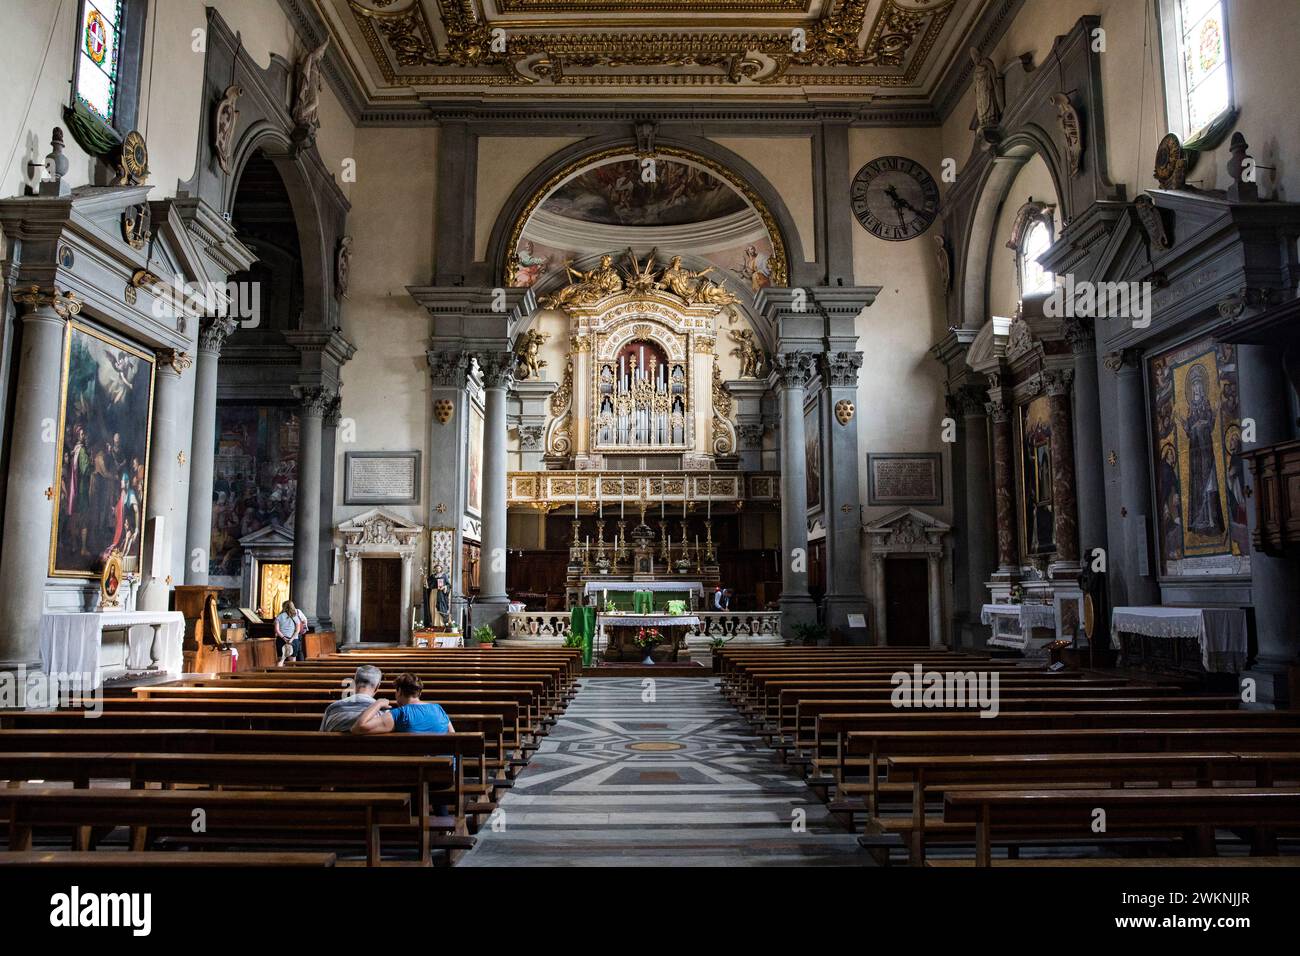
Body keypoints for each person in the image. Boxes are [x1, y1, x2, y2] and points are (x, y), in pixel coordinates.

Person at [351, 672, 456, 736]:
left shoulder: (399, 714)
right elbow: (452, 734)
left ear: (399, 691)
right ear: (419, 692)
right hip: (445, 766)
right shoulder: (438, 709)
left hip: (413, 769)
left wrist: (378, 703)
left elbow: (358, 728)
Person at [319, 665, 383, 733]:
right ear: (377, 687)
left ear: (354, 683)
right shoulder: (384, 712)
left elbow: (321, 736)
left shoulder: (332, 709)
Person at [275, 600, 304, 664]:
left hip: (281, 640)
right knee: (292, 663)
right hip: (293, 641)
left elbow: (277, 630)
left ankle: (279, 673)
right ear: (292, 606)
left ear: (283, 607)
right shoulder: (296, 617)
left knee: (281, 661)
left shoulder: (279, 616)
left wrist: (284, 638)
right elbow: (297, 630)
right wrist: (291, 640)